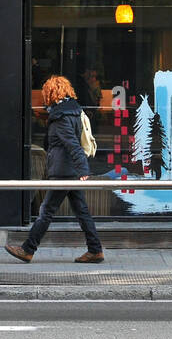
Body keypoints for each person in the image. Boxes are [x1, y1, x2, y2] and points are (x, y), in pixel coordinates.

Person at [6, 75, 104, 264]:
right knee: (81, 210)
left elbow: (72, 144)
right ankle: (95, 249)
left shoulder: (60, 116)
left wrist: (84, 169)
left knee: (46, 211)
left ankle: (27, 249)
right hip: (70, 171)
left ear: (51, 92)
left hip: (64, 172)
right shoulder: (75, 110)